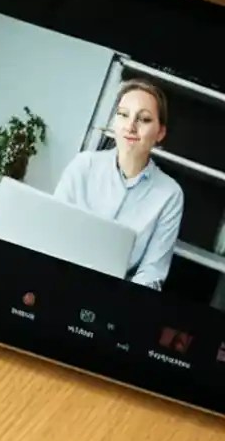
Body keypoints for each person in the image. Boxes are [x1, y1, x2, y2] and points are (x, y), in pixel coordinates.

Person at [54, 78, 184, 290]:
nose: (130, 126)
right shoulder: (83, 165)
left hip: (115, 294)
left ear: (160, 133)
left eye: (144, 119)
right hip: (61, 278)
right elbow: (52, 230)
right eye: (123, 115)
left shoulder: (170, 194)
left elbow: (151, 272)